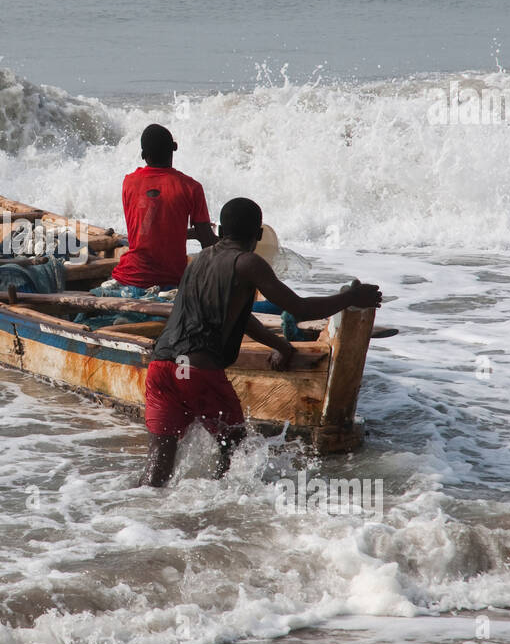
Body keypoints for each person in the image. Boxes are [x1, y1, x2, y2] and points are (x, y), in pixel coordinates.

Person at [139, 197, 382, 487]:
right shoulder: (247, 262)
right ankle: (216, 511)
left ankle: (139, 513)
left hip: (163, 367)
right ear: (257, 234)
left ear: (220, 231)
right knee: (235, 446)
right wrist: (351, 298)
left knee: (158, 462)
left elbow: (241, 319)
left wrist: (280, 346)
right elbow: (299, 308)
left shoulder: (199, 259)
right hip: (197, 370)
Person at [110, 123, 217, 290]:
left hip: (127, 277)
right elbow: (208, 244)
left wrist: (189, 234)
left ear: (143, 154)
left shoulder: (129, 182)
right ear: (174, 147)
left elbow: (148, 228)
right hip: (170, 281)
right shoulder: (191, 187)